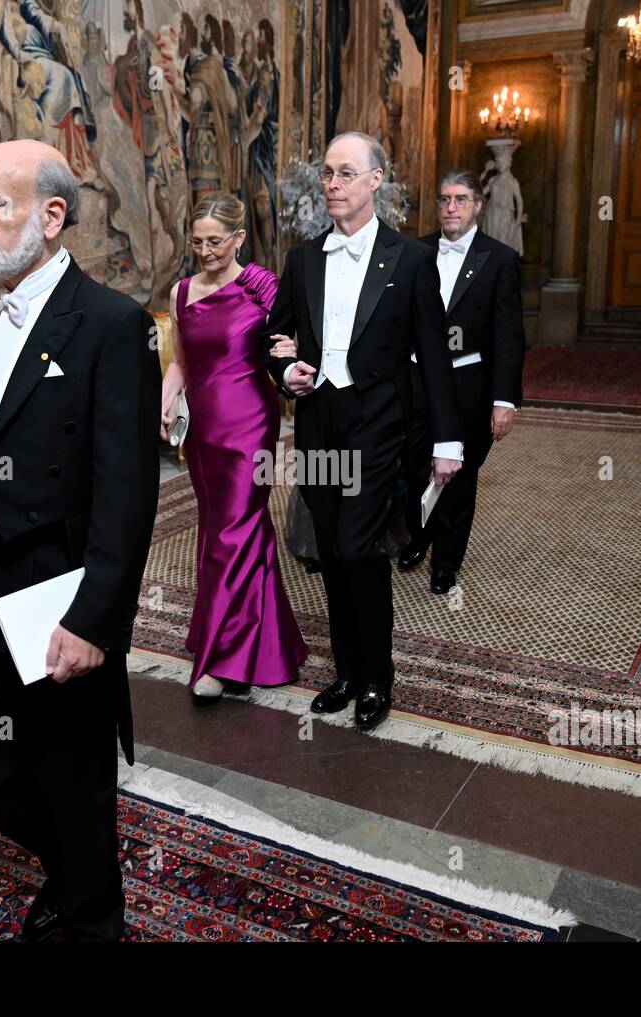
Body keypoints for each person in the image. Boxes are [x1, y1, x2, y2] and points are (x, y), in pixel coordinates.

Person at [0, 140, 160, 942]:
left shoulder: (112, 325)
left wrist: (95, 619)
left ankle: (92, 912)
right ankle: (79, 865)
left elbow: (126, 494)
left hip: (46, 581)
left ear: (52, 217)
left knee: (69, 766)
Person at [261, 130, 462, 733]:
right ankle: (346, 673)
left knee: (357, 546)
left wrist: (448, 443)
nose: (332, 184)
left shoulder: (412, 259)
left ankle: (377, 677)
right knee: (327, 547)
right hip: (320, 422)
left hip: (380, 422)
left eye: (346, 173)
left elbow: (434, 354)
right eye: (327, 173)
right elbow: (276, 336)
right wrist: (285, 369)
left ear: (377, 180)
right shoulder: (301, 260)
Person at [160, 193, 307, 701]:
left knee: (234, 529)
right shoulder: (181, 293)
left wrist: (292, 353)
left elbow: (291, 336)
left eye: (215, 241)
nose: (205, 251)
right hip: (203, 431)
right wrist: (167, 398)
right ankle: (266, 645)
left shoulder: (262, 285)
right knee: (229, 531)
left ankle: (217, 661)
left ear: (239, 238)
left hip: (250, 424)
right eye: (197, 241)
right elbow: (181, 361)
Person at [398, 169, 526, 594]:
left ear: (477, 206)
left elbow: (509, 338)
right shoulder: (413, 252)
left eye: (460, 199)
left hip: (468, 382)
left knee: (459, 474)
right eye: (444, 199)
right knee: (414, 466)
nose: (450, 207)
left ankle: (446, 562)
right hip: (416, 377)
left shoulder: (501, 260)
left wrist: (504, 400)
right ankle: (420, 535)